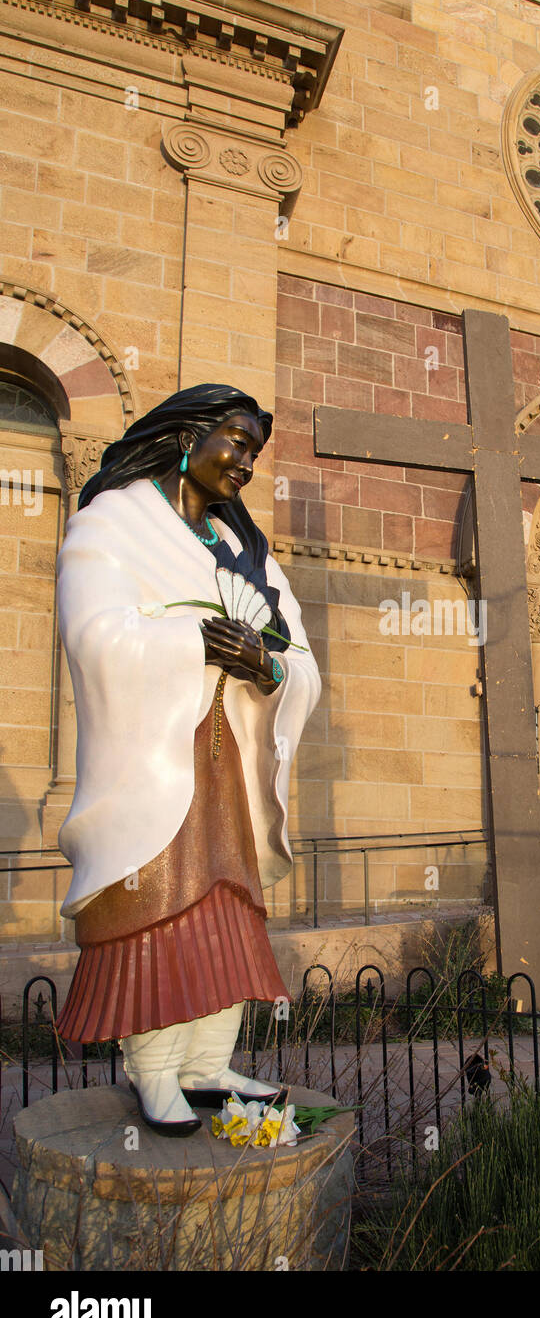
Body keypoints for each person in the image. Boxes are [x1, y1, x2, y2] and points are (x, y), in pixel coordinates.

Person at [54, 385, 321, 1135]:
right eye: (235, 442)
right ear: (185, 436)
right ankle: (156, 1075)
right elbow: (93, 633)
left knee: (229, 908)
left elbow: (299, 660)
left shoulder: (249, 554)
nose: (246, 463)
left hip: (230, 760)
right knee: (161, 908)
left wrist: (263, 663)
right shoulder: (113, 522)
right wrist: (196, 641)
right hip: (157, 763)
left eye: (256, 452)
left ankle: (207, 1064)